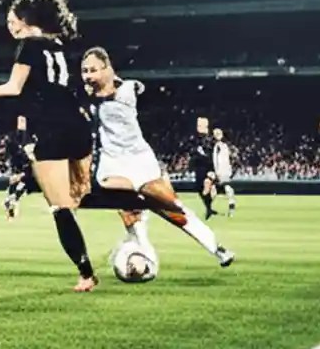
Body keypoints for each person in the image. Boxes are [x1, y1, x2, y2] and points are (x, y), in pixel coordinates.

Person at [0, 0, 98, 292]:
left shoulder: (29, 46)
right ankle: (136, 222)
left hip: (51, 130)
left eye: (11, 21)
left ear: (25, 21)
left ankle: (86, 274)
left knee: (61, 208)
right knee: (83, 193)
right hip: (79, 126)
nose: (9, 28)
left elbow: (13, 87)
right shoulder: (61, 45)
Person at [81, 47, 235, 270]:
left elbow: (122, 94)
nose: (87, 76)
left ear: (108, 69)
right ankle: (142, 250)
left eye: (93, 70)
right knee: (126, 202)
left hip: (140, 160)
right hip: (111, 162)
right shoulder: (88, 96)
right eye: (84, 71)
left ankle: (216, 248)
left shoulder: (127, 88)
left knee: (173, 209)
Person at [2, 115, 37, 221]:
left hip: (20, 167)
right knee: (23, 183)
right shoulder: (20, 139)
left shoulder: (18, 139)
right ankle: (13, 199)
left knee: (19, 184)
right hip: (23, 167)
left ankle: (12, 200)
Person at [211, 127, 237, 217]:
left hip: (222, 171)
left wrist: (217, 171)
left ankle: (231, 207)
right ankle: (231, 207)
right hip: (224, 171)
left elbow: (216, 160)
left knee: (224, 188)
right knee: (221, 189)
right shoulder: (222, 146)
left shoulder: (219, 146)